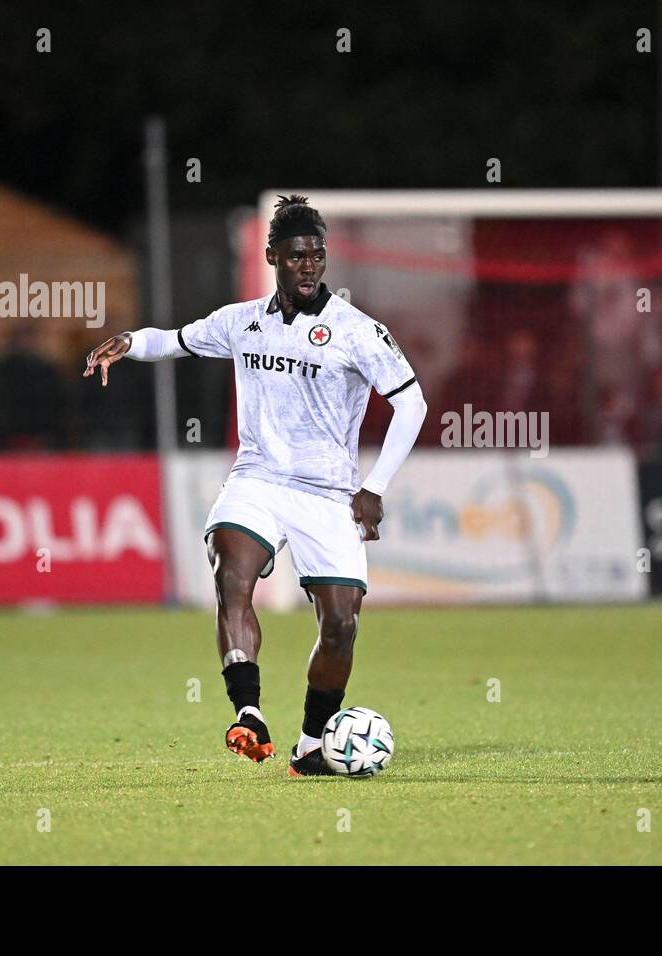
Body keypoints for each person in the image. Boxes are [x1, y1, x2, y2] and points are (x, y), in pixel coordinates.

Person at [83, 196, 427, 776]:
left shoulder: (357, 331)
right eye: (297, 256)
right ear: (272, 257)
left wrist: (374, 486)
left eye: (317, 255)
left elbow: (411, 403)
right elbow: (177, 339)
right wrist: (130, 341)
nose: (310, 266)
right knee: (230, 571)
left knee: (341, 626)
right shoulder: (242, 322)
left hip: (328, 492)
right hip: (259, 479)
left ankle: (313, 744)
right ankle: (249, 711)